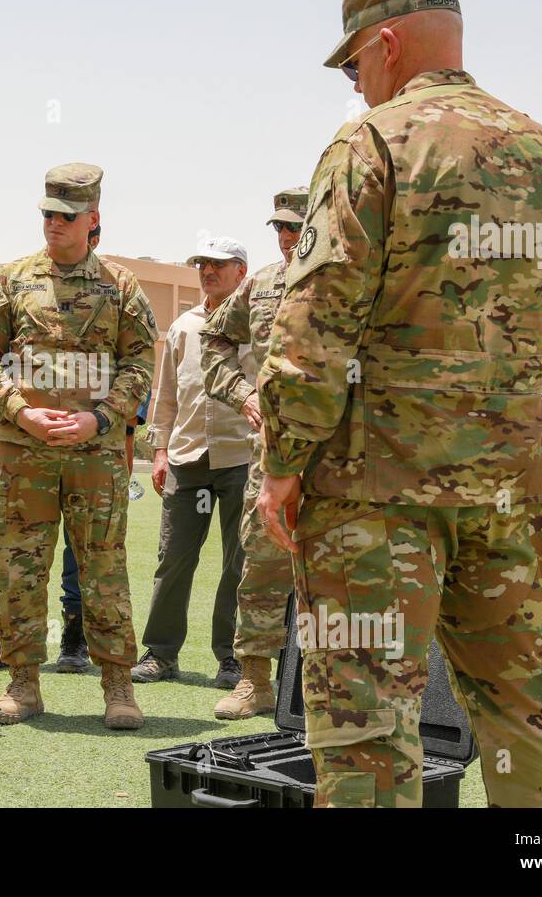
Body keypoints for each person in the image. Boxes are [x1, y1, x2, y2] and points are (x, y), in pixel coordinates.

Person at [256, 0, 542, 807]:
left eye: (352, 66)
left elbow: (314, 326)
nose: (357, 83)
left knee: (369, 730)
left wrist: (283, 460)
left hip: (376, 498)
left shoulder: (373, 143)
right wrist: (528, 440)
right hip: (510, 494)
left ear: (386, 43)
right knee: (532, 719)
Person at [0, 162, 156, 729]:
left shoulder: (120, 287)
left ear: (93, 219)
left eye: (67, 216)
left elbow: (141, 361)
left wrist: (100, 420)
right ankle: (23, 683)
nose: (55, 223)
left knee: (103, 565)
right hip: (25, 456)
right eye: (49, 213)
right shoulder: (11, 281)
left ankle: (118, 686)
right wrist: (20, 410)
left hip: (94, 457)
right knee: (19, 566)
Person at [200, 188, 306, 719]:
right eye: (279, 229)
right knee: (261, 566)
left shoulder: (360, 276)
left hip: (347, 456)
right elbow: (214, 341)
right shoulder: (261, 285)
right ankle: (255, 681)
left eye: (296, 226)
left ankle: (338, 687)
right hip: (273, 453)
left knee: (348, 572)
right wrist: (243, 395)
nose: (287, 238)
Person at [0, 392, 149, 676]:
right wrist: (7, 427)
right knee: (14, 548)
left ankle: (73, 640)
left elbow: (130, 418)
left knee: (86, 550)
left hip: (94, 448)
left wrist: (124, 457)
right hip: (27, 443)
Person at [133, 237, 253, 689]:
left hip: (242, 455)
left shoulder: (260, 323)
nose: (207, 271)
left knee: (239, 563)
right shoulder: (183, 326)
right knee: (173, 559)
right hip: (188, 457)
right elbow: (165, 394)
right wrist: (160, 450)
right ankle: (161, 654)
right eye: (202, 264)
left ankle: (233, 658)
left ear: (240, 270)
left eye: (218, 264)